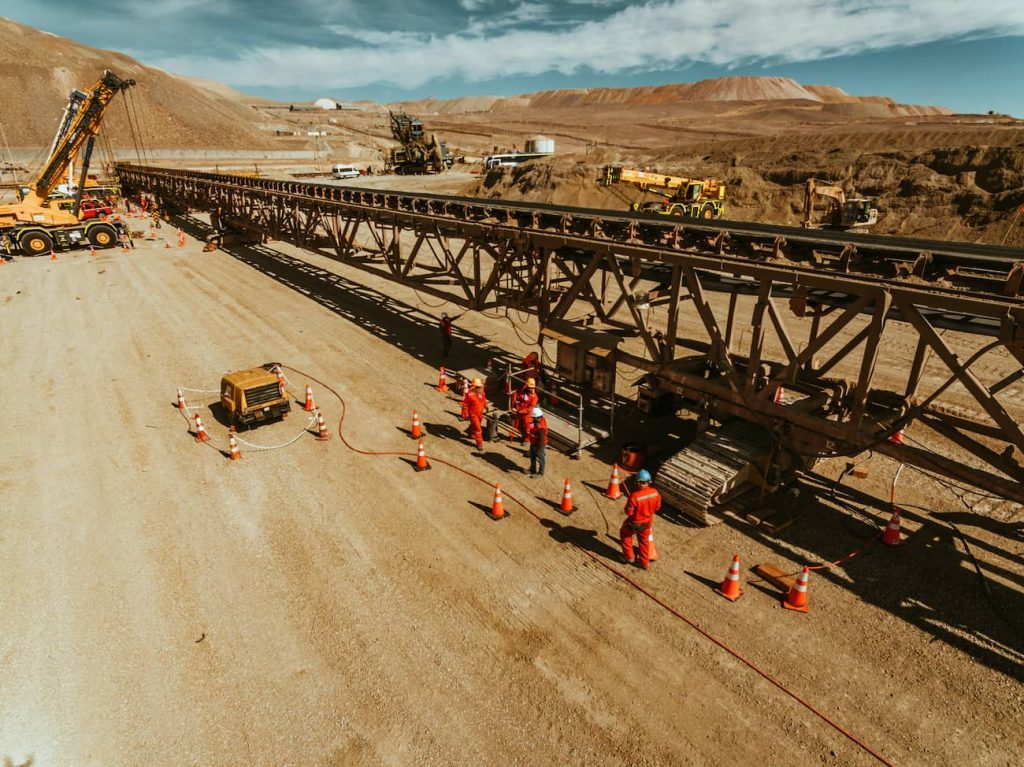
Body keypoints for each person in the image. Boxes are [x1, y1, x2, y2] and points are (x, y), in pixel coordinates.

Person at [620, 469, 662, 570]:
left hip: (634, 523)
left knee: (625, 535)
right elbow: (657, 507)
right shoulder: (655, 493)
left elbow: (628, 512)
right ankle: (644, 563)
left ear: (638, 483)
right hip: (647, 523)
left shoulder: (634, 496)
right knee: (644, 542)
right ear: (649, 482)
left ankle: (629, 557)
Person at [513, 377, 539, 443]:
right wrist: (515, 401)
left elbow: (530, 408)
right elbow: (518, 395)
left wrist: (521, 411)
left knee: (527, 428)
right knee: (518, 425)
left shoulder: (534, 397)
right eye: (528, 386)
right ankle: (523, 436)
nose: (529, 388)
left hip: (527, 415)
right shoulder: (524, 390)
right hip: (520, 412)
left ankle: (527, 440)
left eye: (530, 387)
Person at [465, 379, 487, 453]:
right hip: (473, 415)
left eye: (482, 387)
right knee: (478, 430)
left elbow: (483, 400)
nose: (482, 389)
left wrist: (486, 406)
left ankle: (471, 433)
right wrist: (466, 415)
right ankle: (479, 446)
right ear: (476, 388)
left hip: (480, 414)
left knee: (476, 426)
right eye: (481, 388)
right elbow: (465, 405)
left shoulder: (482, 393)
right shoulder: (470, 395)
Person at [526, 406, 547, 477]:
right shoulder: (536, 421)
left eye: (533, 417)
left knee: (540, 458)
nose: (532, 418)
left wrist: (538, 449)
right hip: (533, 443)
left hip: (539, 445)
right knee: (532, 456)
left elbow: (541, 440)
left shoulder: (541, 428)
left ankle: (541, 472)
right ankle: (532, 470)